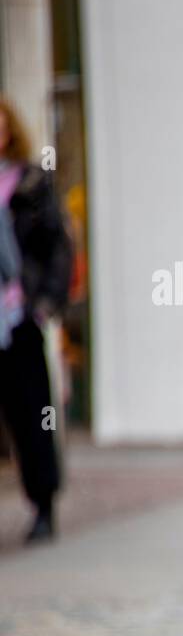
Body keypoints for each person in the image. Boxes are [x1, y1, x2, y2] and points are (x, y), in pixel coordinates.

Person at [0, 96, 72, 544]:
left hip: (18, 315)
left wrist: (45, 302)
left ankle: (43, 502)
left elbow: (57, 247)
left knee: (31, 413)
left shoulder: (29, 182)